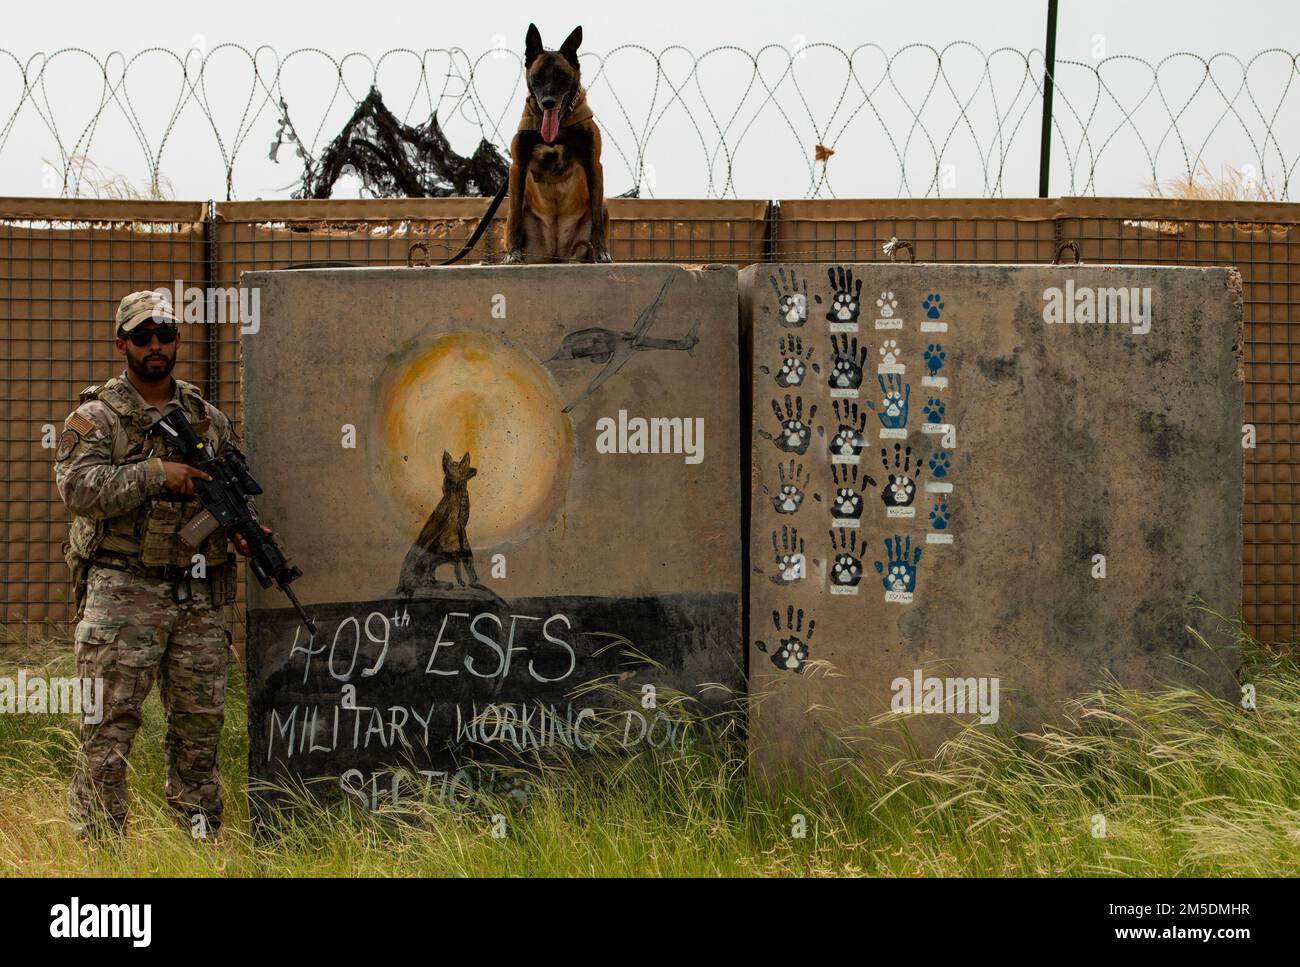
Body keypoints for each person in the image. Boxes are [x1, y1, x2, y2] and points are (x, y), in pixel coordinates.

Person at [54, 289, 257, 840]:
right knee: (106, 728)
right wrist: (154, 474)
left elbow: (233, 488)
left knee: (200, 731)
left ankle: (198, 843)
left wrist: (244, 529)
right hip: (122, 590)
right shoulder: (97, 417)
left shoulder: (206, 418)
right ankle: (100, 852)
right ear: (121, 344)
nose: (155, 346)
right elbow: (78, 489)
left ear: (177, 340)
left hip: (198, 594)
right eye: (142, 336)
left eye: (164, 334)